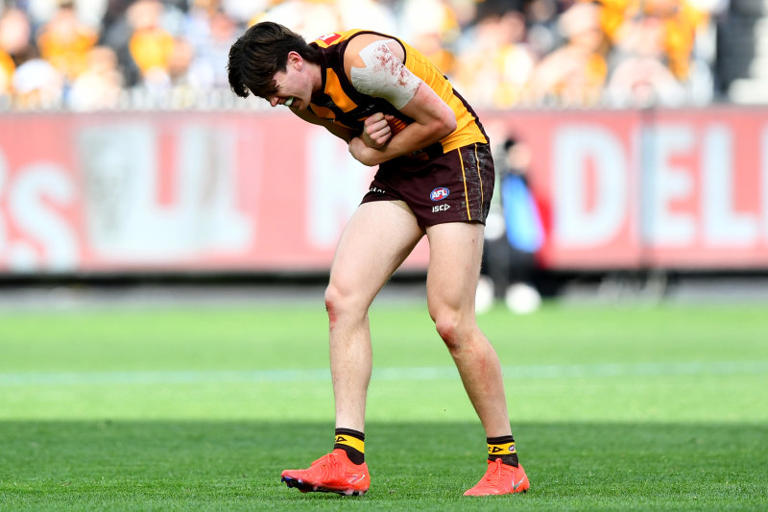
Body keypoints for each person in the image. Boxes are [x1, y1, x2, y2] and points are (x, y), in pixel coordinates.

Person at [227, 21, 530, 497]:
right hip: (404, 169)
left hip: (455, 157)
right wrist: (365, 145)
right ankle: (347, 459)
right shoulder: (303, 101)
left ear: (294, 60)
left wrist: (368, 149)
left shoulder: (365, 62)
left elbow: (440, 123)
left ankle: (506, 463)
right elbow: (356, 143)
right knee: (342, 299)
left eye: (272, 89)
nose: (272, 102)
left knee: (451, 320)